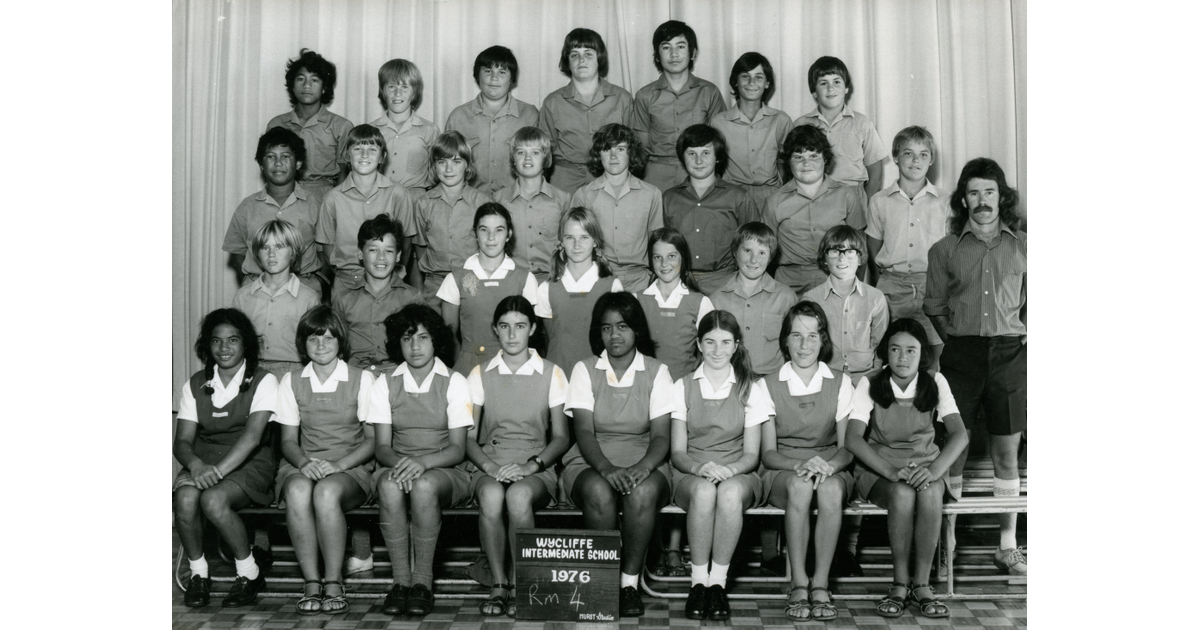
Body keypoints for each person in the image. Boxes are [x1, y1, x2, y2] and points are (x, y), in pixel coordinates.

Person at [924, 157, 1027, 574]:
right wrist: (957, 339)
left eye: (989, 192)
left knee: (1007, 452)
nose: (982, 200)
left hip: (1009, 355)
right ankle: (946, 544)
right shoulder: (944, 250)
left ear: (1002, 197)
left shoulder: (1025, 246)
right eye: (973, 193)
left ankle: (1007, 545)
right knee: (955, 449)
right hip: (961, 356)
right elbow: (934, 306)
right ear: (962, 200)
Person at [843, 318, 969, 619]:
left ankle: (922, 585)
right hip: (880, 471)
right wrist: (889, 471)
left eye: (911, 350)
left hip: (925, 467)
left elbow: (960, 435)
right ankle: (900, 583)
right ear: (886, 351)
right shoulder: (870, 382)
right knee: (902, 493)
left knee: (929, 492)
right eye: (895, 349)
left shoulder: (935, 381)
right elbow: (852, 438)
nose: (902, 357)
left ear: (922, 353)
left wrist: (934, 470)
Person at [562, 293, 675, 617]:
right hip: (591, 461)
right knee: (600, 492)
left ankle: (628, 584)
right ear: (598, 332)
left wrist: (643, 467)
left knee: (641, 493)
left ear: (636, 329)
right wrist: (606, 468)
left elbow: (661, 436)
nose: (614, 335)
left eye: (622, 326)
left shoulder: (657, 371)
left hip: (646, 460)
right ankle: (605, 581)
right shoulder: (585, 369)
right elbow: (584, 432)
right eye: (606, 328)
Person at [465, 296, 571, 617]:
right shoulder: (480, 373)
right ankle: (499, 584)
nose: (512, 334)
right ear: (495, 329)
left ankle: (521, 583)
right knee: (492, 496)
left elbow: (561, 437)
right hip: (491, 462)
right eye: (505, 326)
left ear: (533, 329)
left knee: (518, 496)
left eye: (520, 326)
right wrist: (490, 468)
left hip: (536, 465)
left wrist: (531, 466)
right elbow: (468, 438)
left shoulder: (552, 373)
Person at [368, 303, 474, 617]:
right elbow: (382, 447)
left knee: (424, 486)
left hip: (444, 469)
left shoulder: (454, 381)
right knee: (389, 486)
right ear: (397, 343)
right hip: (398, 465)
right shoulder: (385, 382)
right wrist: (403, 464)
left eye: (423, 338)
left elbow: (458, 449)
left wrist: (422, 463)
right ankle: (401, 582)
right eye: (407, 338)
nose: (415, 346)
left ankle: (422, 582)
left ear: (435, 340)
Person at [274, 305, 376, 615]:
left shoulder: (362, 379)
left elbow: (373, 440)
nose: (321, 345)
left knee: (326, 491)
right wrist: (304, 463)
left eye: (329, 338)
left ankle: (333, 581)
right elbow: (288, 441)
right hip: (303, 463)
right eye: (313, 339)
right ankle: (311, 582)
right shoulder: (291, 380)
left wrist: (338, 466)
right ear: (303, 343)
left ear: (341, 341)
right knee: (297, 490)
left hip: (350, 466)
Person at [670, 310, 771, 622]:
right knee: (703, 492)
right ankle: (698, 583)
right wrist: (699, 469)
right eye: (710, 342)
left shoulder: (750, 387)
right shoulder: (682, 386)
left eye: (725, 342)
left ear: (736, 345)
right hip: (692, 471)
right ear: (699, 344)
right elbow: (677, 452)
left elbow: (752, 455)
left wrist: (729, 471)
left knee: (728, 493)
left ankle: (718, 584)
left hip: (738, 472)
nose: (717, 350)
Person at [174, 309, 277, 609]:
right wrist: (196, 465)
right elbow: (182, 442)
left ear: (246, 344)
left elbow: (253, 437)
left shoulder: (264, 380)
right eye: (216, 341)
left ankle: (249, 573)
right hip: (204, 462)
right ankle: (198, 574)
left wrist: (216, 472)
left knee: (213, 500)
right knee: (185, 499)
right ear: (207, 345)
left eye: (233, 340)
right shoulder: (196, 383)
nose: (224, 347)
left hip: (250, 462)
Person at [759, 301, 855, 621]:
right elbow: (768, 453)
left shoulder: (841, 381)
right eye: (796, 335)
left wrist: (829, 467)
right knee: (801, 487)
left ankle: (821, 584)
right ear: (785, 340)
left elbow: (847, 447)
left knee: (830, 489)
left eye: (812, 336)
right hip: (784, 470)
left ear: (822, 340)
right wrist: (798, 466)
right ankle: (799, 583)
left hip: (830, 466)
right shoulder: (766, 384)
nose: (804, 344)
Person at [866, 126, 951, 370]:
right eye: (908, 153)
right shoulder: (880, 201)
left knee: (934, 358)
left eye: (923, 155)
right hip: (892, 288)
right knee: (890, 354)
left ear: (931, 160)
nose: (916, 161)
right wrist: (882, 284)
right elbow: (873, 247)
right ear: (895, 157)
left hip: (932, 288)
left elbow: (952, 251)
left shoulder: (945, 201)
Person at [762, 124, 867, 295]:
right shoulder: (774, 202)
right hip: (789, 282)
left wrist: (854, 288)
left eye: (814, 156)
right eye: (798, 157)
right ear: (788, 161)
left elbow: (861, 249)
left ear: (825, 159)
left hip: (836, 277)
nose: (806, 163)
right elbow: (765, 252)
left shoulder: (847, 195)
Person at [437, 202, 540, 375]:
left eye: (499, 230)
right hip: (469, 367)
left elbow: (530, 334)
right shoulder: (456, 278)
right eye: (484, 230)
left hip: (513, 367)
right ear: (475, 233)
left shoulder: (525, 279)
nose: (491, 237)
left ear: (508, 234)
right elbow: (449, 335)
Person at [316, 124, 416, 301]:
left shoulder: (398, 194)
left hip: (388, 280)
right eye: (357, 149)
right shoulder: (332, 199)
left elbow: (406, 243)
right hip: (346, 283)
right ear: (347, 155)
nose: (364, 155)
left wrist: (395, 273)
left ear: (382, 157)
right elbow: (327, 248)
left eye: (372, 149)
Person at [223, 127, 324, 294]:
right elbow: (236, 253)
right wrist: (254, 286)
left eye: (285, 156)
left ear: (298, 163)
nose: (278, 163)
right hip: (257, 290)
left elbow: (325, 254)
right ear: (261, 164)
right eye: (270, 157)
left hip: (303, 289)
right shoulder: (247, 207)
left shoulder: (315, 205)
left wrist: (317, 283)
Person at [662, 123, 758, 294]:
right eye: (691, 153)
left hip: (724, 282)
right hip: (679, 280)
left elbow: (755, 243)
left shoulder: (738, 197)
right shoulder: (669, 198)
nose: (698, 161)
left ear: (717, 157)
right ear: (682, 157)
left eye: (706, 153)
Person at [631, 20, 726, 191]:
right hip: (655, 175)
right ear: (657, 55)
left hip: (699, 173)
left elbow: (718, 142)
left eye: (681, 47)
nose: (674, 54)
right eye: (666, 47)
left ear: (693, 53)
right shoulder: (644, 95)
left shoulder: (709, 92)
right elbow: (641, 146)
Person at [568, 123, 663, 291]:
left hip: (639, 279)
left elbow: (656, 242)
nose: (613, 156)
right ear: (598, 155)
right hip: (598, 276)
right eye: (606, 149)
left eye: (620, 149)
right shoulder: (584, 195)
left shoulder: (651, 194)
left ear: (631, 153)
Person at [539, 28, 633, 194]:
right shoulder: (553, 102)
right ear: (567, 61)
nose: (581, 60)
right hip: (564, 181)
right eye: (574, 55)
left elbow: (632, 147)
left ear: (599, 58)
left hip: (610, 178)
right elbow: (544, 151)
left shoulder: (622, 98)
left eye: (588, 54)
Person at [332, 214, 424, 378]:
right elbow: (338, 347)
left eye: (388, 251)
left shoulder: (411, 297)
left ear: (398, 256)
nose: (381, 257)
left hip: (398, 377)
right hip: (356, 376)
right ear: (360, 253)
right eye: (373, 250)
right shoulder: (344, 298)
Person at [535, 207, 623, 370]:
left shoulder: (612, 286)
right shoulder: (546, 288)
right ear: (561, 241)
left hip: (599, 374)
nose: (577, 245)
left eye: (584, 237)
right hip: (559, 374)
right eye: (570, 238)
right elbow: (551, 339)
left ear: (595, 241)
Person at [232, 220, 322, 379]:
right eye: (264, 247)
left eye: (279, 247)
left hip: (294, 372)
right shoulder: (243, 296)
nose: (271, 254)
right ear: (257, 253)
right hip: (253, 371)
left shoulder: (309, 298)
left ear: (293, 252)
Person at [445, 46, 540, 195]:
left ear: (512, 79)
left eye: (502, 72)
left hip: (516, 200)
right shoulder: (458, 117)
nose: (494, 78)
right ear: (477, 76)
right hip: (470, 201)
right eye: (488, 71)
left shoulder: (530, 115)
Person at [709, 222, 798, 376]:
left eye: (762, 253)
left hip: (771, 379)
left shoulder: (786, 297)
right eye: (747, 251)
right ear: (735, 252)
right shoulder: (716, 299)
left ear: (771, 257)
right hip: (729, 378)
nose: (753, 260)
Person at [412, 131, 492, 303]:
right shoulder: (423, 203)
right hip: (435, 283)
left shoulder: (482, 202)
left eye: (456, 161)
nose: (449, 169)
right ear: (434, 166)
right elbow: (420, 246)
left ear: (467, 165)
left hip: (472, 280)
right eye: (442, 162)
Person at [801, 226, 888, 384]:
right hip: (825, 377)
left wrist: (873, 375)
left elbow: (879, 342)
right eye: (835, 251)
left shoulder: (876, 297)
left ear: (860, 258)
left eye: (850, 251)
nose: (842, 259)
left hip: (866, 376)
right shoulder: (811, 299)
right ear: (824, 258)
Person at [265, 49, 354, 203]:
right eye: (301, 79)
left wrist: (335, 204)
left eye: (314, 80)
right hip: (285, 194)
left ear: (324, 87)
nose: (307, 85)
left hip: (324, 197)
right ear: (292, 85)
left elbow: (344, 173)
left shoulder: (341, 126)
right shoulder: (277, 124)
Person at [708, 52, 791, 213]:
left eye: (759, 77)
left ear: (767, 83)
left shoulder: (780, 120)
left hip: (770, 197)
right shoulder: (719, 123)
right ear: (736, 81)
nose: (752, 82)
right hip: (731, 196)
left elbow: (787, 163)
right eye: (745, 76)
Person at [795, 56, 886, 203]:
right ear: (814, 92)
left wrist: (866, 205)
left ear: (846, 88)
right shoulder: (801, 124)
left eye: (836, 82)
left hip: (853, 197)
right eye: (823, 83)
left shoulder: (862, 123)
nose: (830, 88)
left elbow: (876, 171)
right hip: (813, 198)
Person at [491, 126, 571, 283]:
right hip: (511, 280)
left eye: (535, 152)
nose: (527, 158)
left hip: (552, 280)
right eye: (521, 152)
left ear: (545, 157)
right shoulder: (499, 199)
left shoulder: (562, 200)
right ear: (513, 159)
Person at [637, 227, 714, 381]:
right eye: (657, 257)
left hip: (684, 386)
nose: (664, 264)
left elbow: (712, 350)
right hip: (646, 385)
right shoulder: (637, 300)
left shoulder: (700, 302)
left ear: (682, 258)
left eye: (671, 256)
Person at [372, 58, 440, 188]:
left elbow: (437, 173)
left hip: (416, 197)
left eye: (404, 87)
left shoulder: (429, 130)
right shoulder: (371, 129)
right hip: (379, 197)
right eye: (391, 86)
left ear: (414, 92)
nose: (397, 93)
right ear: (383, 91)